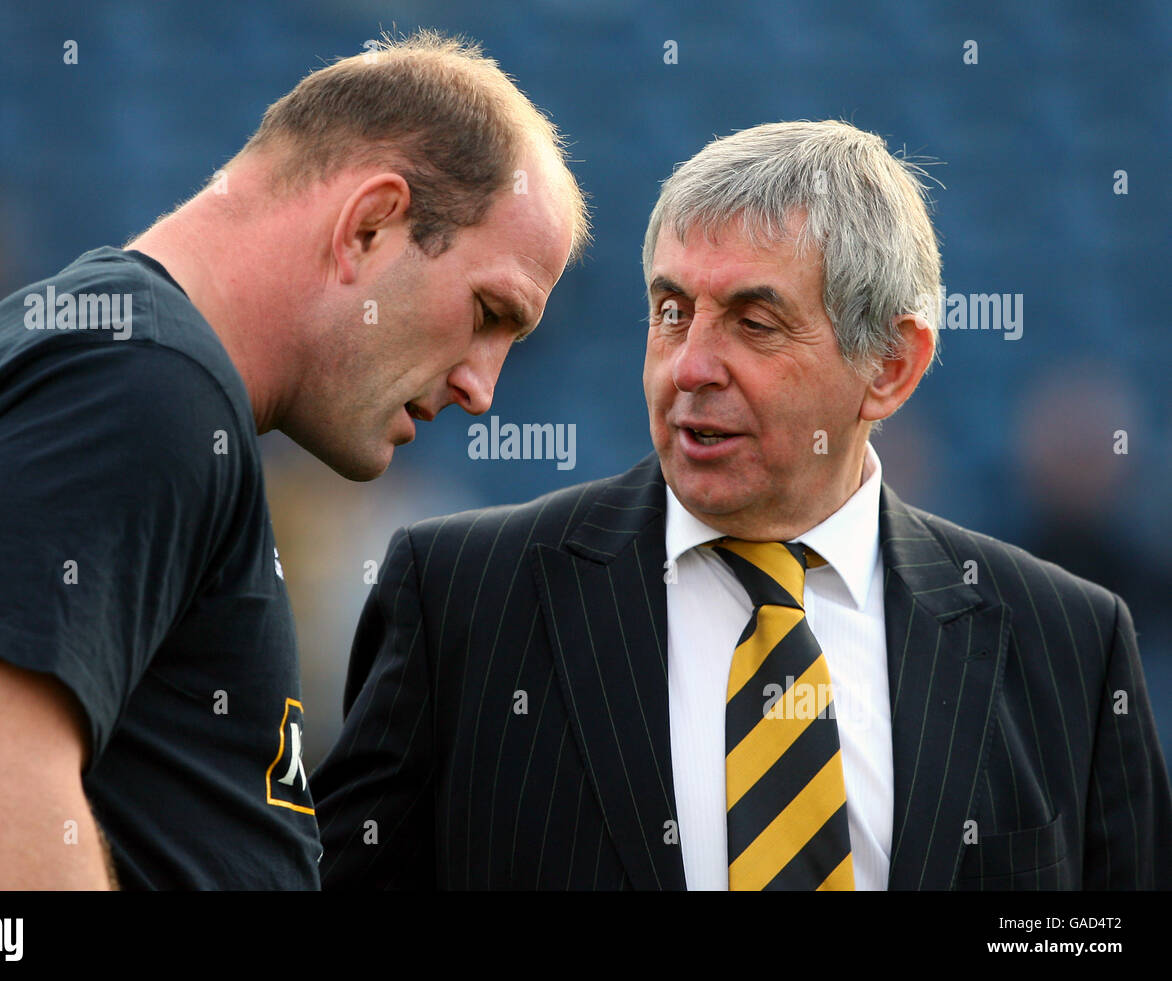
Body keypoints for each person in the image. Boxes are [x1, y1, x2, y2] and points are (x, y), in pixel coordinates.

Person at [311, 119, 1172, 890]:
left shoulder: (1071, 646)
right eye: (672, 311)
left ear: (892, 367)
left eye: (755, 323)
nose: (690, 365)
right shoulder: (463, 598)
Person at [0, 30, 586, 890]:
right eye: (488, 311)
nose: (483, 387)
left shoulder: (134, 367)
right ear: (369, 226)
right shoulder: (139, 379)